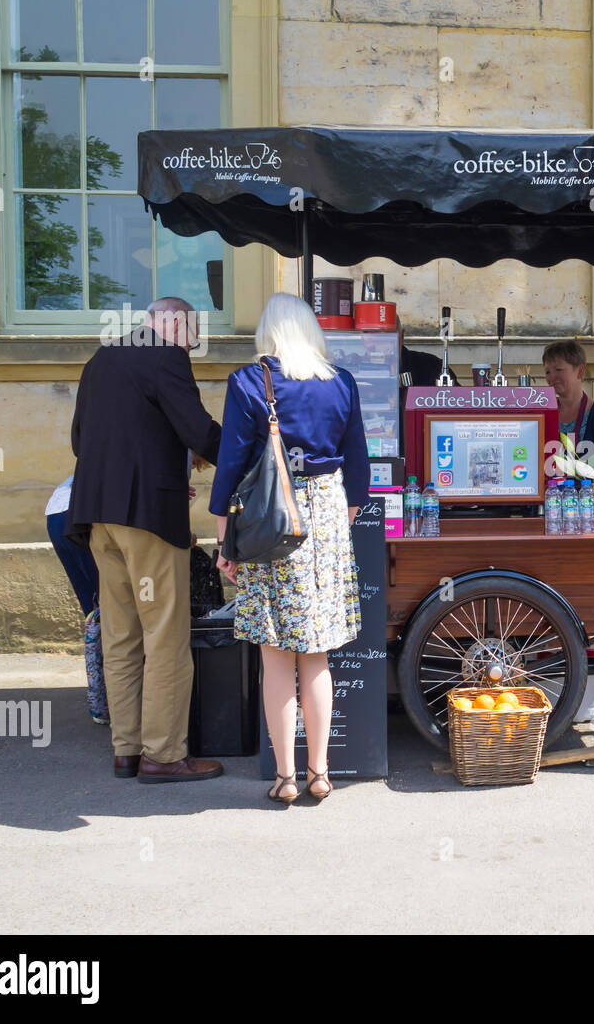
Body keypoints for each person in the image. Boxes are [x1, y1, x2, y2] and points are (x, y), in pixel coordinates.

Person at [210, 293, 369, 805]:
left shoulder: (249, 382)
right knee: (316, 655)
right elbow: (359, 461)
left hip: (269, 519)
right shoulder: (339, 382)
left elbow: (232, 460)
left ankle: (285, 777)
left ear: (268, 333)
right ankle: (321, 772)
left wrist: (223, 537)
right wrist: (338, 521)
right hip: (325, 512)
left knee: (274, 656)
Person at [67, 297, 224, 783]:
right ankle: (164, 754)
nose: (190, 348)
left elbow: (80, 440)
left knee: (120, 634)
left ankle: (127, 750)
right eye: (191, 336)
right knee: (165, 635)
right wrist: (247, 452)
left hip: (97, 515)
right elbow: (198, 429)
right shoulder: (165, 355)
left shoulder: (101, 358)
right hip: (149, 518)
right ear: (174, 322)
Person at [46, 476, 107, 724]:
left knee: (95, 612)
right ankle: (115, 703)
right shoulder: (172, 446)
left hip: (56, 511)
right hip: (85, 515)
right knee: (114, 612)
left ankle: (101, 703)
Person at [542, 339, 594, 451]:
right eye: (547, 372)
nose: (551, 377)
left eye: (558, 369)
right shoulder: (543, 413)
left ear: (580, 371)